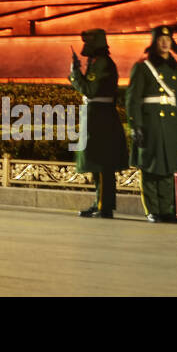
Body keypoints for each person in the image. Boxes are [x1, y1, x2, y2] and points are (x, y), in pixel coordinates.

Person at [125, 25, 177, 223]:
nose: (164, 42)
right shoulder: (143, 68)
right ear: (154, 42)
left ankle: (168, 210)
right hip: (150, 123)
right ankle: (153, 210)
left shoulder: (176, 69)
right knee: (151, 167)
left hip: (170, 124)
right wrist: (135, 126)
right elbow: (133, 99)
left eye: (167, 39)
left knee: (169, 166)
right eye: (160, 39)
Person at [68, 28, 127, 218]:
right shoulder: (98, 63)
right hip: (98, 117)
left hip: (100, 119)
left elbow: (90, 90)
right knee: (98, 165)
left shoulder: (102, 64)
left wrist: (75, 74)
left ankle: (104, 206)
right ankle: (100, 202)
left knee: (102, 165)